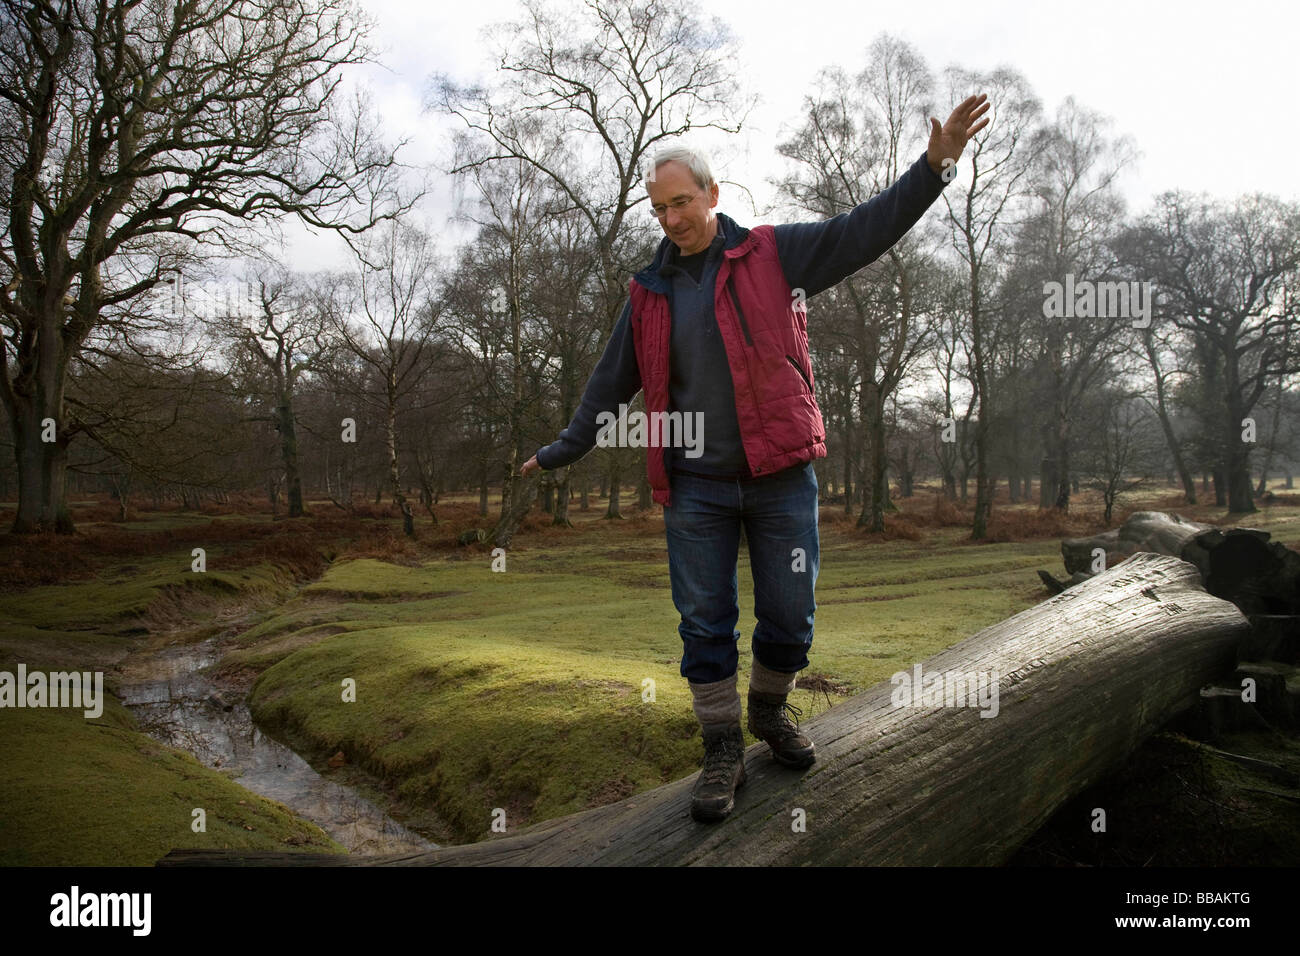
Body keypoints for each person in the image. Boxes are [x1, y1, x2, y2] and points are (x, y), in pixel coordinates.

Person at [521, 94, 991, 822]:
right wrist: (564, 448)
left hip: (779, 481)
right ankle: (720, 749)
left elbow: (861, 232)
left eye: (682, 202)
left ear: (712, 193)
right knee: (704, 622)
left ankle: (769, 713)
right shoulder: (647, 293)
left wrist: (934, 168)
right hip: (697, 491)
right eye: (660, 209)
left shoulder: (775, 254)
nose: (672, 218)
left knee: (790, 613)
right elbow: (611, 380)